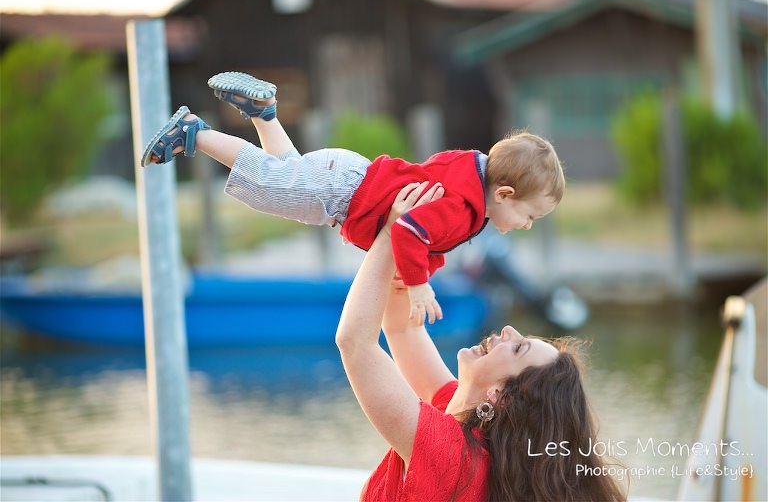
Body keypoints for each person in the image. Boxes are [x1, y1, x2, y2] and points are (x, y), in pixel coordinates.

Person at [141, 71, 564, 326]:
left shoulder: (465, 178)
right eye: (529, 215)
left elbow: (428, 238)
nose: (527, 225)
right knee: (270, 184)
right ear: (504, 193)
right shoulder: (462, 208)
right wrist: (417, 286)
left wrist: (421, 270)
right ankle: (196, 133)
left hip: (349, 174)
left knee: (287, 171)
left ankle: (263, 113)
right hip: (344, 193)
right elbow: (412, 229)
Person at [335, 181, 626, 501]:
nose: (509, 331)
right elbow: (404, 330)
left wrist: (391, 233)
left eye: (518, 347)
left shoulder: (452, 458)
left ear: (500, 396)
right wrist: (407, 258)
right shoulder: (459, 416)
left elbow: (355, 343)